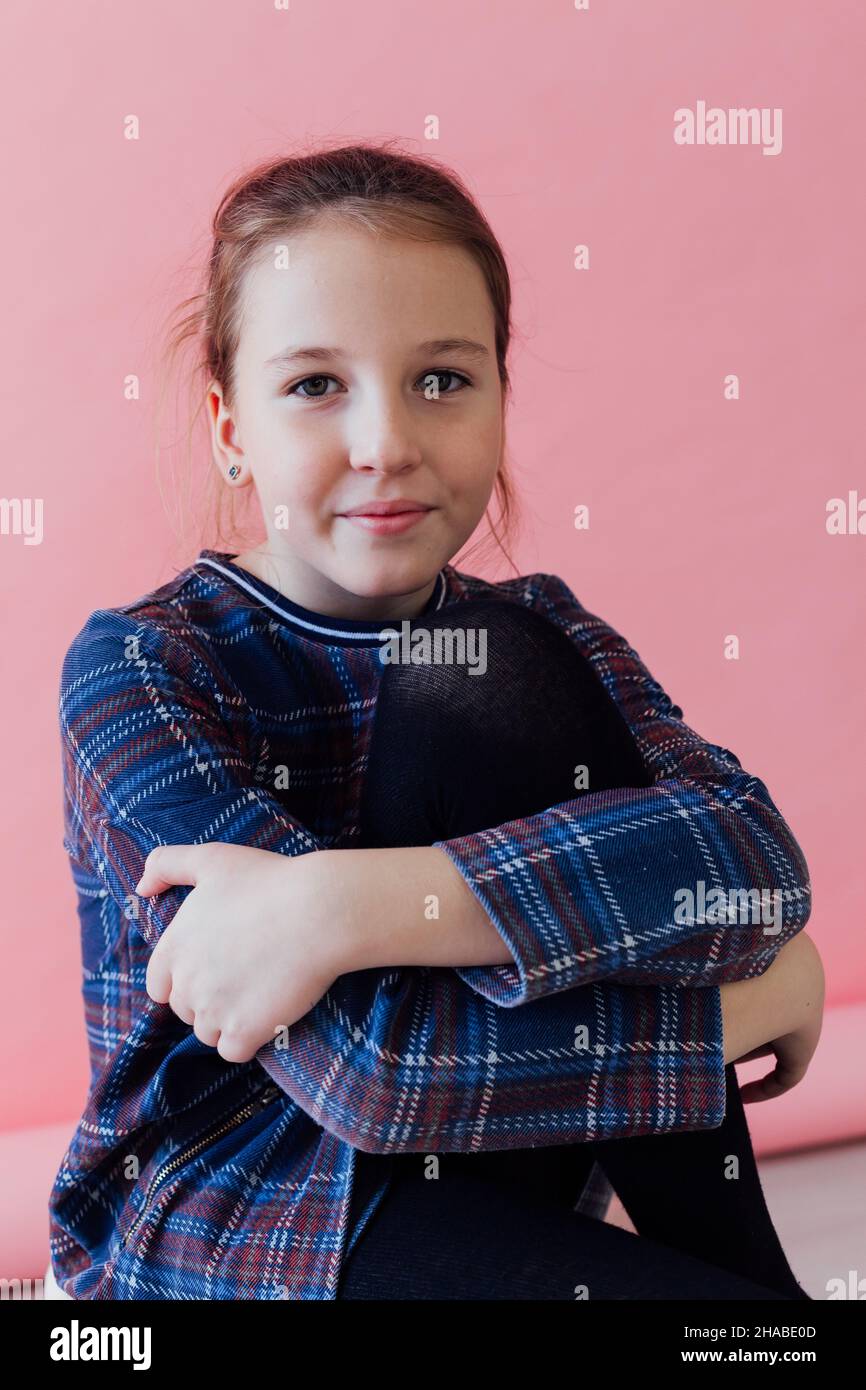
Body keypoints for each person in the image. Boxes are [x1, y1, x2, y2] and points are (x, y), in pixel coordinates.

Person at [48, 143, 823, 1301]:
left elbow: (752, 869)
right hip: (240, 1221)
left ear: (502, 398)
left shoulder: (545, 633)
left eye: (442, 380)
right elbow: (379, 1073)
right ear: (228, 422)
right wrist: (756, 999)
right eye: (315, 385)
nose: (386, 443)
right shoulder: (142, 668)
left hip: (493, 1164)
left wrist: (341, 906)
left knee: (489, 672)